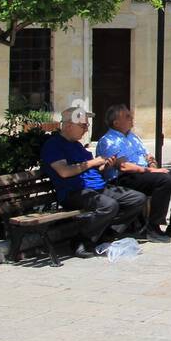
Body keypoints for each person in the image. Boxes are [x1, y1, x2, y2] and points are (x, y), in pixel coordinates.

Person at [40, 109, 146, 257]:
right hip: (74, 192)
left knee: (137, 199)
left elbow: (95, 170)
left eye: (87, 126)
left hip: (97, 187)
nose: (86, 130)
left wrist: (106, 165)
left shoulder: (77, 145)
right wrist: (93, 162)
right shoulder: (54, 145)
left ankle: (106, 233)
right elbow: (64, 172)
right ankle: (81, 241)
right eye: (83, 126)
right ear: (69, 125)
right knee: (109, 206)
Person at [97, 104, 171, 241]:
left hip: (143, 173)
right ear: (116, 122)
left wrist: (152, 164)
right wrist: (151, 170)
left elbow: (148, 156)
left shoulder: (133, 137)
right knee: (164, 180)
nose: (132, 118)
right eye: (127, 116)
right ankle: (153, 227)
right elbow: (123, 166)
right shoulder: (108, 140)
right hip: (123, 178)